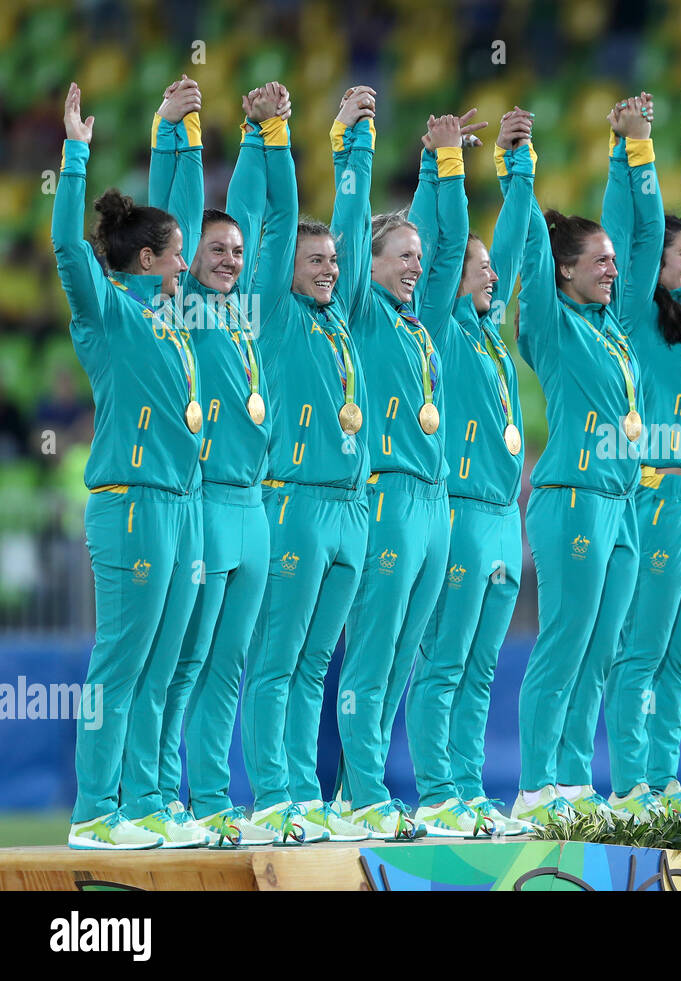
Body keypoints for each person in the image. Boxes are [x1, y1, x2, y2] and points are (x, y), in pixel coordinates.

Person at [331, 101, 487, 838]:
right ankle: (362, 790)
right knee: (373, 648)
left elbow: (450, 242)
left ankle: (353, 791)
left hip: (435, 500)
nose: (418, 265)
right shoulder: (359, 309)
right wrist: (358, 143)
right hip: (389, 491)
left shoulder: (423, 323)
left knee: (401, 657)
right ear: (373, 261)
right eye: (404, 256)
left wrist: (444, 163)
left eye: (419, 260)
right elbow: (357, 229)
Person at [55, 83, 203, 849]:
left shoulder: (170, 320)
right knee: (120, 662)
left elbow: (177, 205)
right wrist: (76, 154)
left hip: (179, 506)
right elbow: (68, 251)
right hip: (131, 501)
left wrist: (176, 131)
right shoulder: (110, 312)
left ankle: (147, 801)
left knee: (164, 664)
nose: (190, 264)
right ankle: (93, 812)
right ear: (146, 260)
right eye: (178, 253)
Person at [510, 94, 660, 826]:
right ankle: (537, 783)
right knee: (566, 638)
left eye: (611, 262)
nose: (612, 270)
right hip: (571, 494)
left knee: (602, 648)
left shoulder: (613, 326)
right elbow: (533, 251)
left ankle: (572, 779)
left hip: (622, 501)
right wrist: (521, 163)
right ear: (565, 273)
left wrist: (632, 151)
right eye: (597, 263)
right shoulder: (553, 324)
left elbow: (642, 233)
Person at [148, 78, 284, 845]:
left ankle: (212, 800)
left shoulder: (245, 316)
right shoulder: (179, 305)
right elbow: (174, 209)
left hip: (253, 506)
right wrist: (183, 132)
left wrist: (268, 137)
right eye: (216, 247)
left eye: (237, 251)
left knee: (227, 664)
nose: (230, 257)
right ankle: (162, 797)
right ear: (182, 256)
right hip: (198, 502)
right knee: (183, 662)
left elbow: (267, 215)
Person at [240, 86, 377, 843]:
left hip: (350, 510)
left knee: (316, 663)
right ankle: (274, 797)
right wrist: (279, 132)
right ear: (283, 267)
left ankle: (305, 793)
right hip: (291, 502)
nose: (328, 269)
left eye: (332, 262)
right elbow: (282, 220)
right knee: (279, 659)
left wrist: (355, 143)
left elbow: (354, 227)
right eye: (313, 260)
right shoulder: (276, 314)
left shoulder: (342, 319)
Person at [602, 84, 681, 822]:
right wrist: (635, 149)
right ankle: (632, 786)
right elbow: (637, 224)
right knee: (643, 649)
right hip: (662, 495)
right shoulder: (634, 317)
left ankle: (661, 779)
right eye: (680, 256)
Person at [406, 108, 534, 836]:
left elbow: (510, 246)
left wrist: (519, 165)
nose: (491, 274)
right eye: (476, 268)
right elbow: (441, 237)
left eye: (491, 270)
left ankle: (467, 791)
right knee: (445, 661)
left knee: (482, 668)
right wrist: (442, 164)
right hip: (455, 509)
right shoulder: (440, 327)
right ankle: (437, 794)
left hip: (500, 515)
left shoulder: (487, 331)